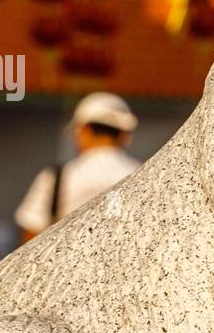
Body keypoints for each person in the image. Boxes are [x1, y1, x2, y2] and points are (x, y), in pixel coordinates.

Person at [15, 92, 140, 242]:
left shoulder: (58, 176)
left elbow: (31, 235)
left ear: (84, 129)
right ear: (124, 135)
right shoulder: (141, 176)